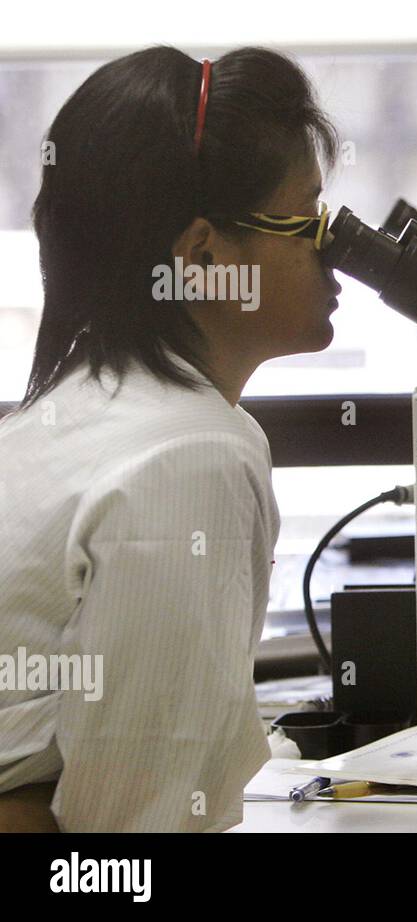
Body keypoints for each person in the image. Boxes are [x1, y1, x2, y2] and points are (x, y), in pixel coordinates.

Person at [0, 46, 341, 831]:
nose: (335, 255)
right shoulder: (191, 457)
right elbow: (132, 842)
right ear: (202, 257)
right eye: (308, 220)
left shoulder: (73, 413)